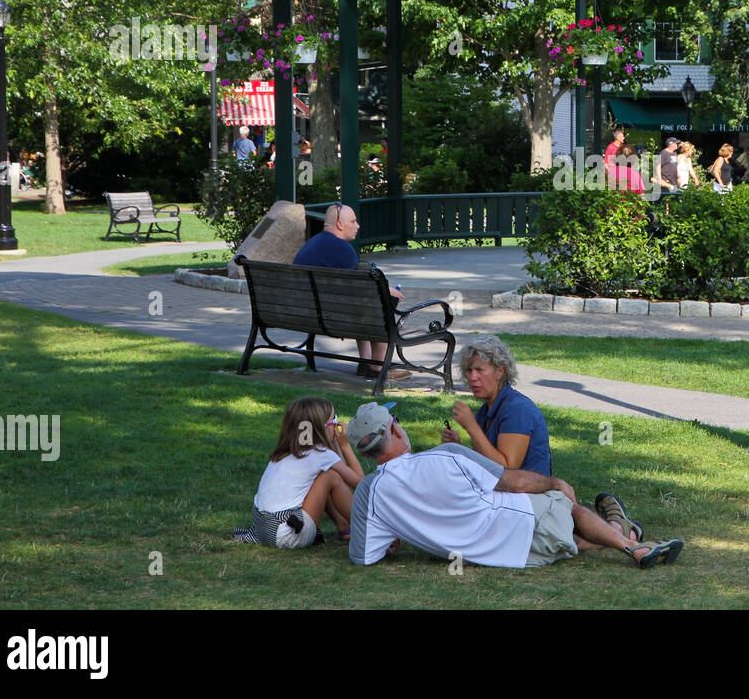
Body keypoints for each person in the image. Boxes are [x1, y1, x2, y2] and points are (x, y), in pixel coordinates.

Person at [347, 403, 683, 569]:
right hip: (519, 524)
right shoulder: (445, 455)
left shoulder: (368, 494)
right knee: (565, 506)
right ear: (393, 430)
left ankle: (621, 530)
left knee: (569, 538)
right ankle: (632, 547)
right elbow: (516, 481)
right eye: (398, 422)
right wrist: (556, 483)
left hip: (505, 558)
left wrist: (395, 537)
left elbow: (363, 557)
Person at [293, 203, 408, 381]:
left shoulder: (313, 243)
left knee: (360, 304)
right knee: (380, 307)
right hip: (334, 317)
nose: (357, 225)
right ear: (340, 224)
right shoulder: (341, 248)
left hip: (305, 313)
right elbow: (367, 287)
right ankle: (377, 367)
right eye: (353, 221)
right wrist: (388, 291)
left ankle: (365, 362)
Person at [233, 396, 365, 547]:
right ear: (321, 428)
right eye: (333, 419)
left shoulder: (287, 450)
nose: (336, 423)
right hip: (286, 534)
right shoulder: (321, 455)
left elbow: (337, 466)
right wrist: (345, 446)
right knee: (330, 476)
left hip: (262, 529)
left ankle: (344, 526)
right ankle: (365, 528)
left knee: (322, 477)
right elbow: (360, 482)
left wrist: (334, 442)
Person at [440, 336, 551, 474]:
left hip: (529, 492)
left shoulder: (518, 409)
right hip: (505, 491)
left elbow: (507, 469)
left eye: (479, 370)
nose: (472, 377)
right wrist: (458, 447)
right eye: (469, 370)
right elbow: (486, 464)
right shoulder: (486, 410)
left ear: (500, 372)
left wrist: (472, 427)